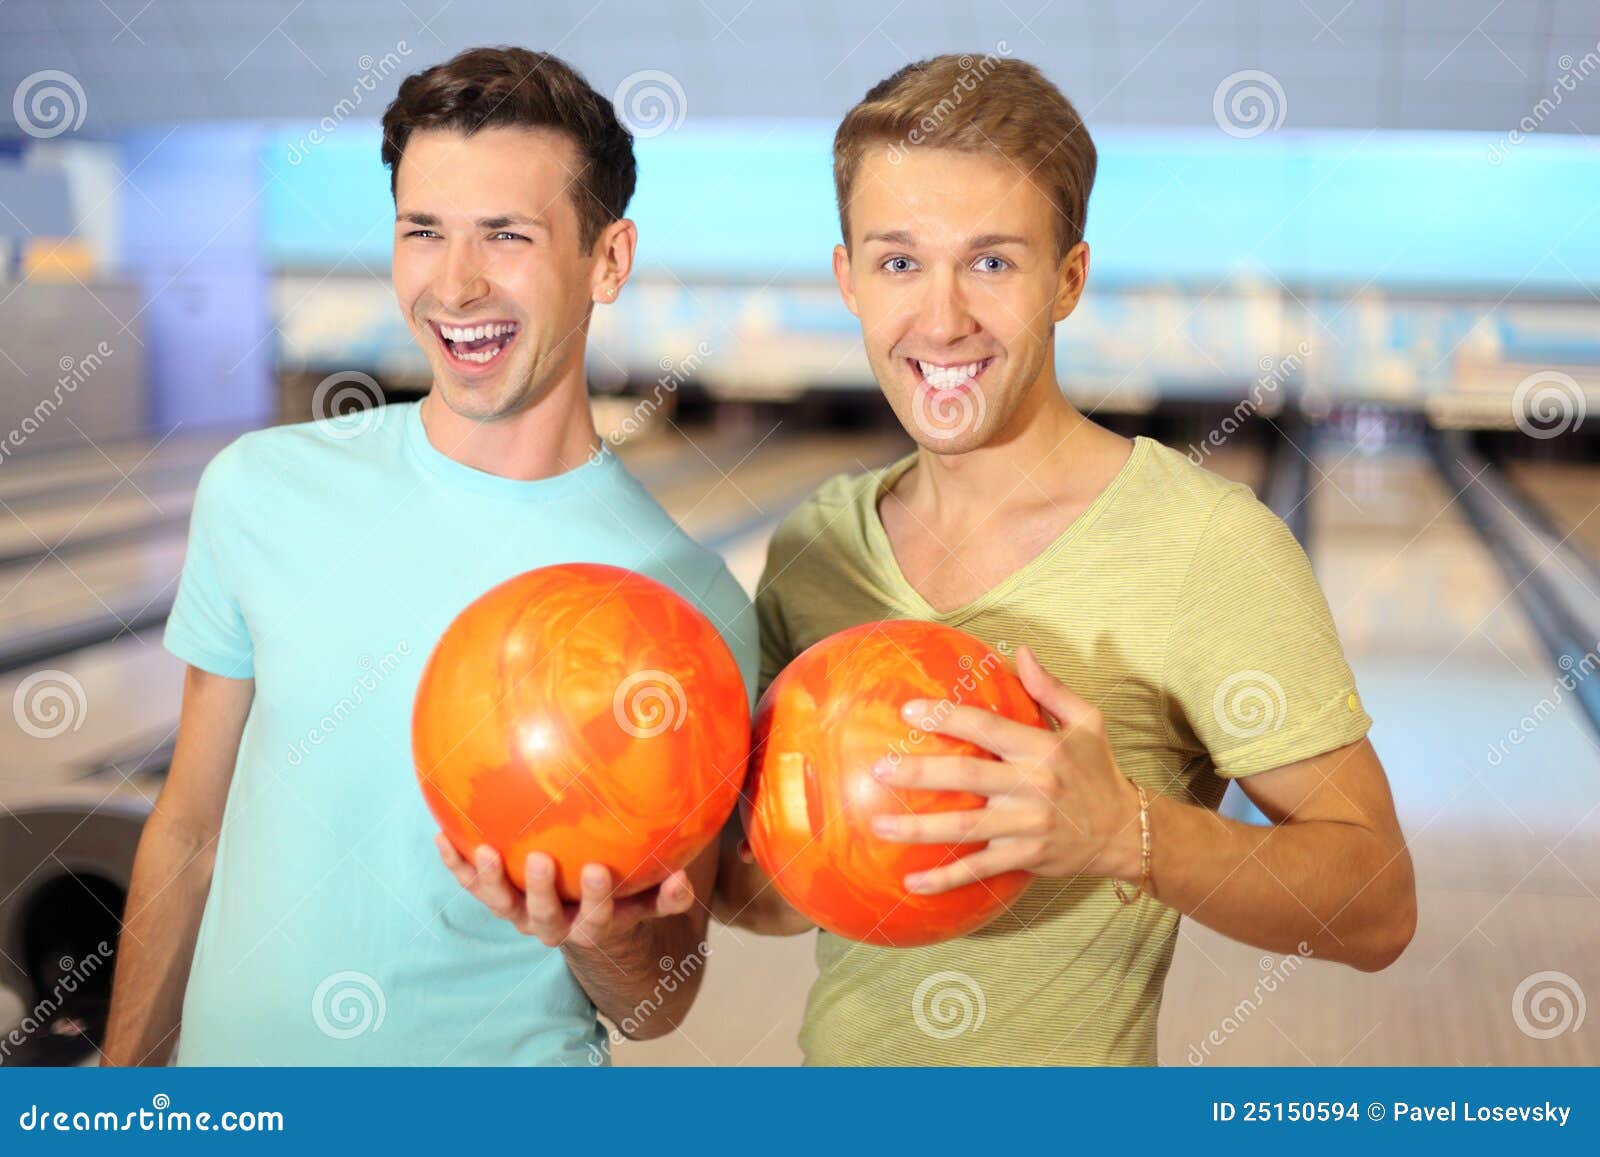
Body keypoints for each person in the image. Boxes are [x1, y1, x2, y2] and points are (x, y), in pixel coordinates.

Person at [714, 54, 1416, 1066]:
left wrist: (1127, 832)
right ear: (847, 279)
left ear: (1068, 279)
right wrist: (637, 882)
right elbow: (783, 893)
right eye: (899, 262)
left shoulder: (1205, 544)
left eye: (993, 262)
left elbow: (1378, 905)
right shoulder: (816, 543)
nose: (942, 317)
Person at [102, 46, 755, 1067]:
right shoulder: (259, 490)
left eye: (506, 234)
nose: (455, 283)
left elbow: (656, 1002)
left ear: (608, 259)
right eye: (423, 231)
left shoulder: (688, 603)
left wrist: (602, 933)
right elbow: (188, 828)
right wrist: (119, 1095)